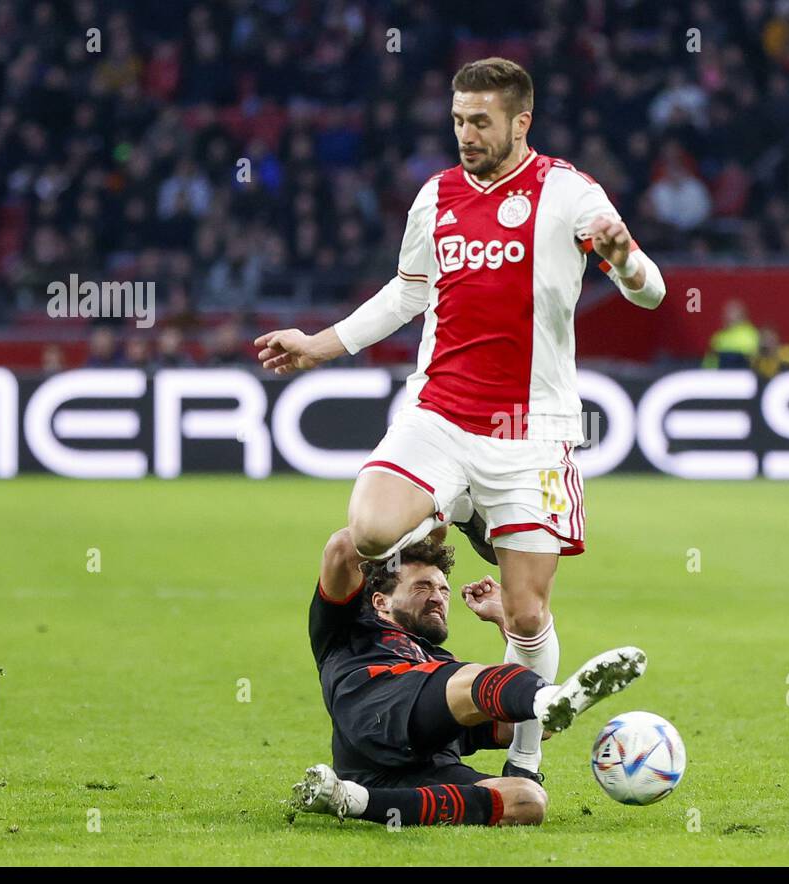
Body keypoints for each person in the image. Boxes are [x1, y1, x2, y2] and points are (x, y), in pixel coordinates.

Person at [255, 57, 666, 785]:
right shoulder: (437, 197)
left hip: (529, 432)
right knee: (372, 531)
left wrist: (624, 258)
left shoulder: (569, 194)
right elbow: (405, 295)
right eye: (457, 120)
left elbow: (653, 293)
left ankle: (526, 760)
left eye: (480, 121)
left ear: (520, 122)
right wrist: (318, 346)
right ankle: (463, 509)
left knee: (528, 614)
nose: (466, 134)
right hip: (438, 411)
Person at [291, 524, 646, 827]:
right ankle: (547, 696)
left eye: (443, 590)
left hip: (409, 767)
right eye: (422, 588)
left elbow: (527, 726)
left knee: (528, 800)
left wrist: (508, 623)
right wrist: (420, 517)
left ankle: (353, 800)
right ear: (382, 601)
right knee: (471, 681)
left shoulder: (440, 662)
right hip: (375, 710)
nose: (437, 598)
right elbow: (341, 549)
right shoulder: (350, 628)